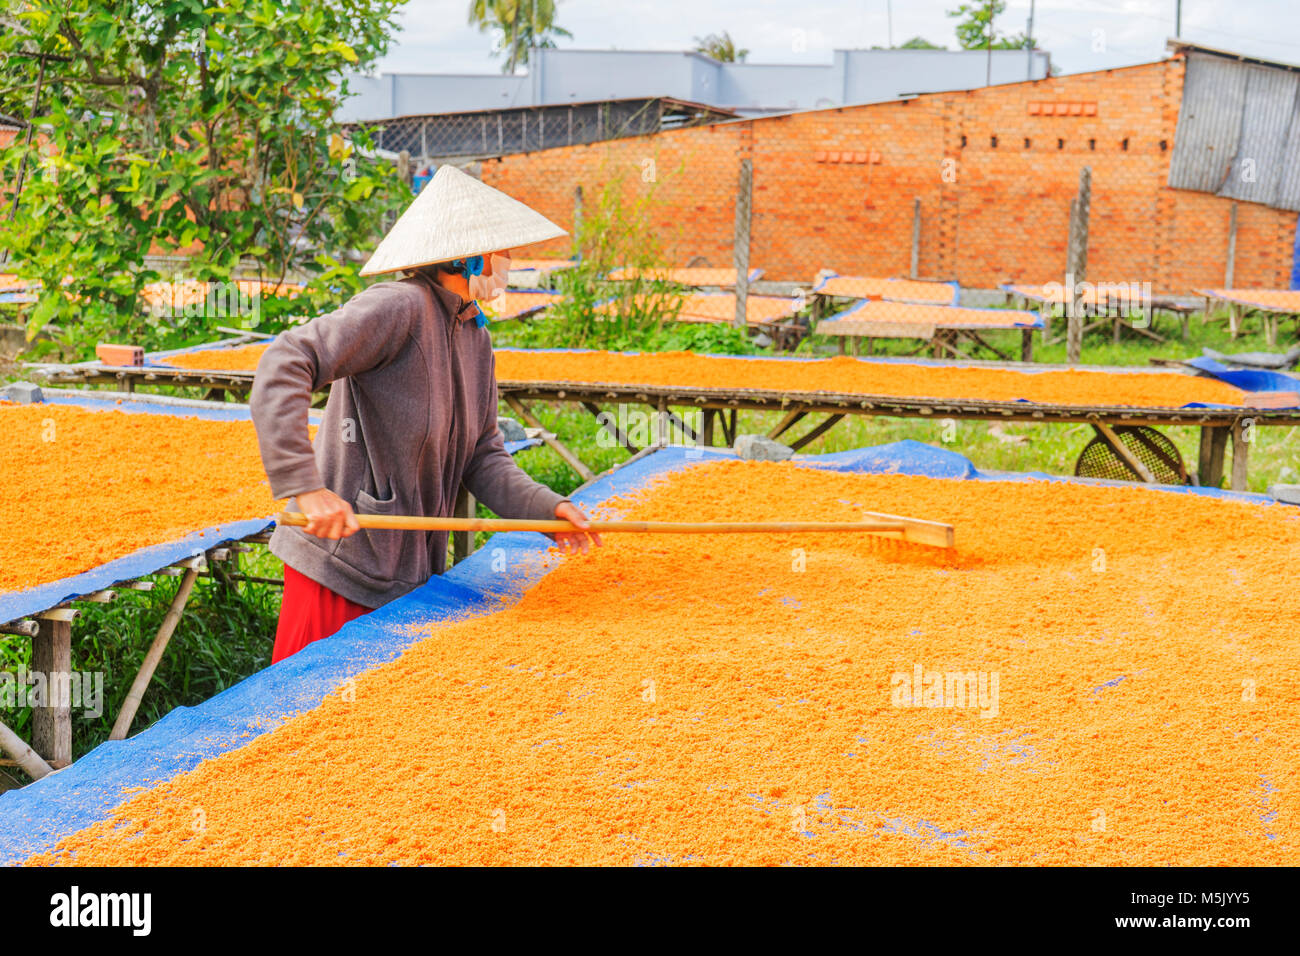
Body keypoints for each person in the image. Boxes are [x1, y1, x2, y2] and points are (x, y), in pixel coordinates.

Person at [250, 165, 600, 664]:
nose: (509, 264)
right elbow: (285, 361)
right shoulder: (398, 308)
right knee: (308, 718)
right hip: (343, 565)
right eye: (503, 252)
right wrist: (304, 488)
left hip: (409, 572)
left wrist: (547, 509)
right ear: (471, 258)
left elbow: (483, 454)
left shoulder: (474, 335)